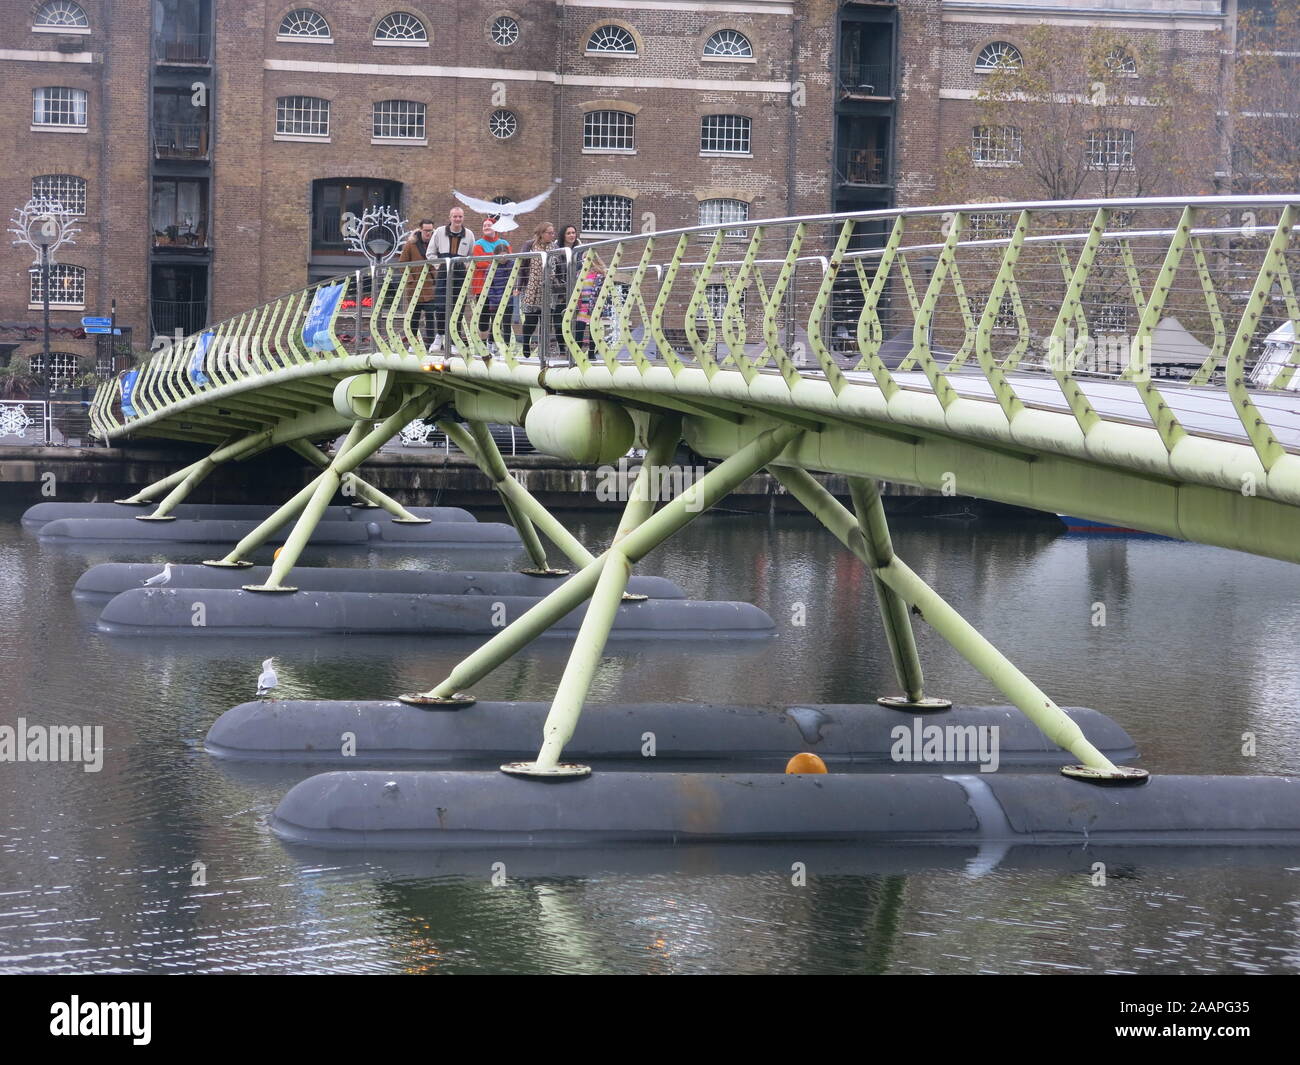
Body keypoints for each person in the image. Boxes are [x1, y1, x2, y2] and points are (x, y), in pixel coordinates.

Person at [426, 206, 471, 351]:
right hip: (444, 272)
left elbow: (471, 256)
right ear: (450, 217)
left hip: (459, 273)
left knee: (458, 306)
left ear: (463, 218)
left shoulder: (469, 234)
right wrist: (440, 266)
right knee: (440, 305)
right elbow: (430, 253)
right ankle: (439, 337)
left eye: (460, 217)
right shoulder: (439, 232)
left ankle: (453, 341)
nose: (457, 219)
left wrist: (464, 266)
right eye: (455, 216)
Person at [470, 217, 512, 352]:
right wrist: (498, 261)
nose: (486, 227)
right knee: (483, 315)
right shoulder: (478, 243)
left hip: (500, 286)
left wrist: (491, 260)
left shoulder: (504, 242)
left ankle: (493, 342)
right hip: (481, 285)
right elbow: (479, 262)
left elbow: (510, 260)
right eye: (484, 225)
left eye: (489, 225)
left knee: (498, 317)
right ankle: (483, 343)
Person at [519, 221, 557, 358]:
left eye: (553, 233)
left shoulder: (554, 247)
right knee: (531, 319)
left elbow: (559, 266)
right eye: (549, 233)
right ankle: (525, 343)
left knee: (546, 320)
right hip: (531, 286)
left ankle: (544, 351)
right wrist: (519, 285)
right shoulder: (530, 245)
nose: (552, 235)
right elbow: (522, 266)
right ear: (541, 234)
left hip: (548, 287)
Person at [397, 218, 436, 347]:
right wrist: (411, 280)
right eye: (426, 231)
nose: (428, 233)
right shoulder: (410, 244)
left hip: (431, 287)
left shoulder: (435, 243)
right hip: (415, 288)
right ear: (420, 229)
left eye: (430, 231)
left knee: (431, 316)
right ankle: (413, 343)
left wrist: (437, 278)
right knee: (414, 317)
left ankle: (430, 343)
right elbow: (402, 263)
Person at [572, 249, 607, 361]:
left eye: (587, 259)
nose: (584, 261)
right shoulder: (580, 273)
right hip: (583, 305)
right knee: (579, 327)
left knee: (593, 329)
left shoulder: (600, 273)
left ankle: (591, 353)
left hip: (594, 305)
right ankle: (577, 352)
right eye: (583, 259)